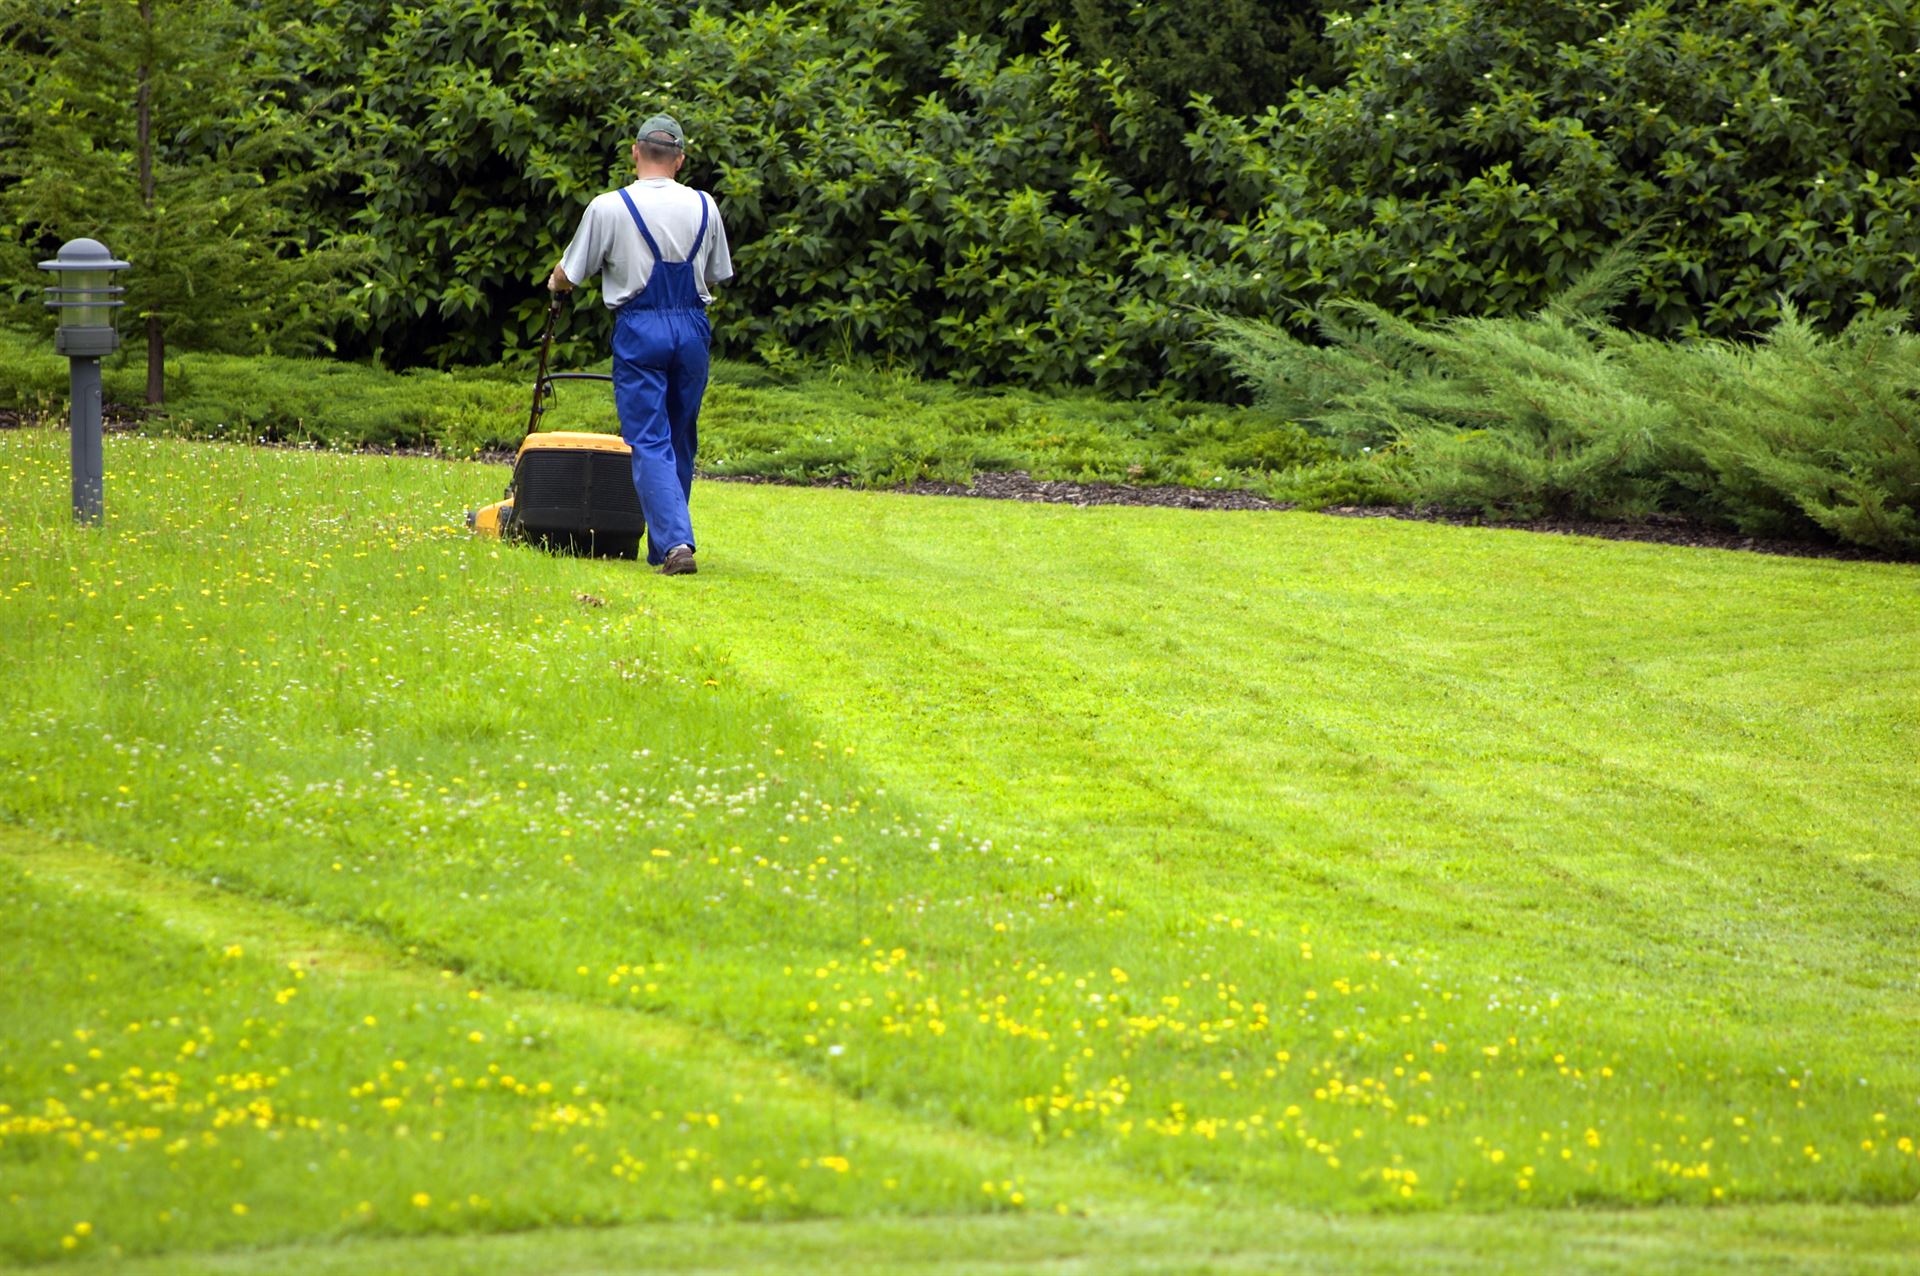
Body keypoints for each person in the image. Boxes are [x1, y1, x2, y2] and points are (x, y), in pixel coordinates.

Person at [547, 114, 732, 575]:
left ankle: (673, 546)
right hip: (691, 327)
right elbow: (715, 275)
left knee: (649, 438)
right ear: (681, 160)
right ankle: (665, 544)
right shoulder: (705, 205)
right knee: (680, 435)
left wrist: (556, 283)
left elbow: (571, 273)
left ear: (635, 152)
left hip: (640, 328)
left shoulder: (609, 207)